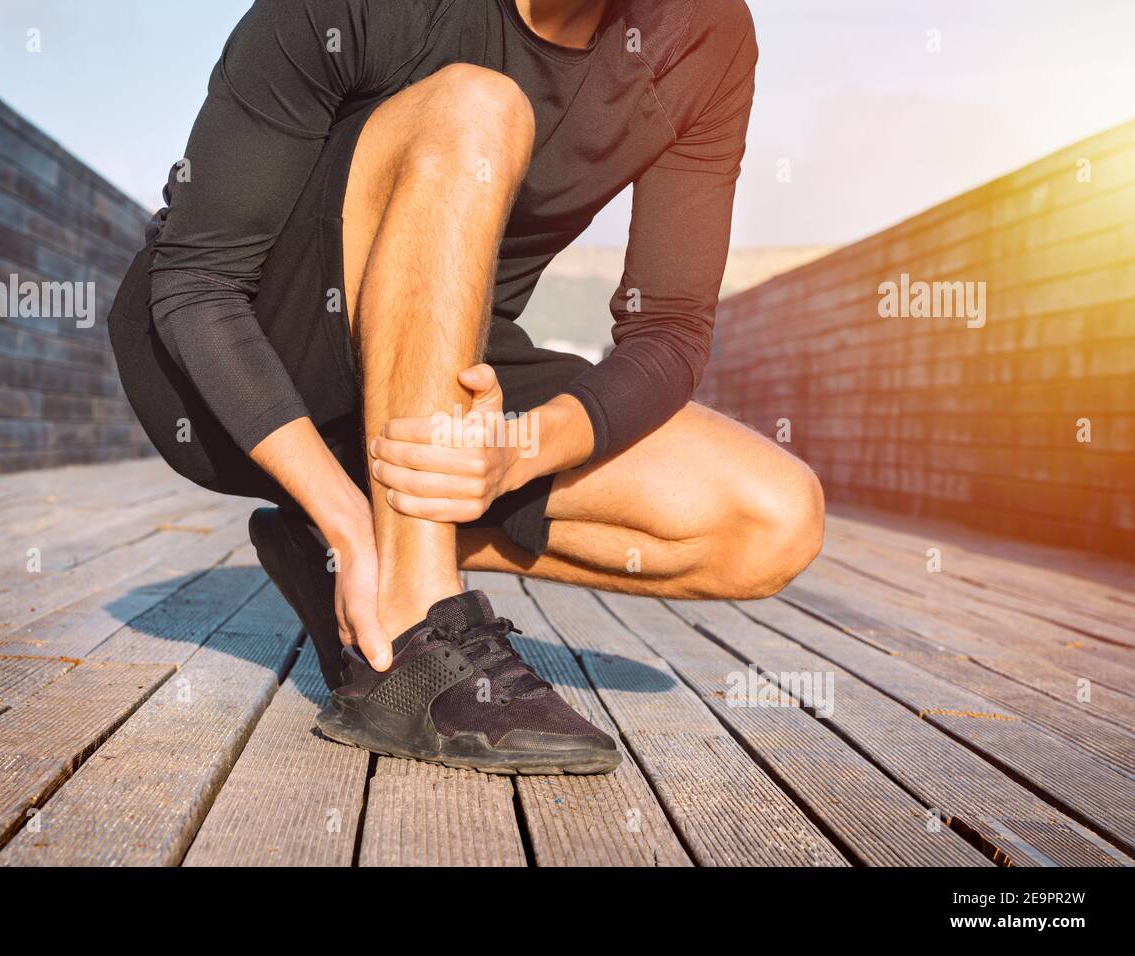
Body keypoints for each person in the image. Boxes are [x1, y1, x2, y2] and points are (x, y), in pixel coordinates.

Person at [108, 0, 823, 775]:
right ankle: (413, 628)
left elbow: (670, 332)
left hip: (441, 366)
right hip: (238, 356)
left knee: (773, 518)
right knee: (478, 105)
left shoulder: (703, 34)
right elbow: (195, 284)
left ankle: (374, 553)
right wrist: (346, 518)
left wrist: (524, 447)